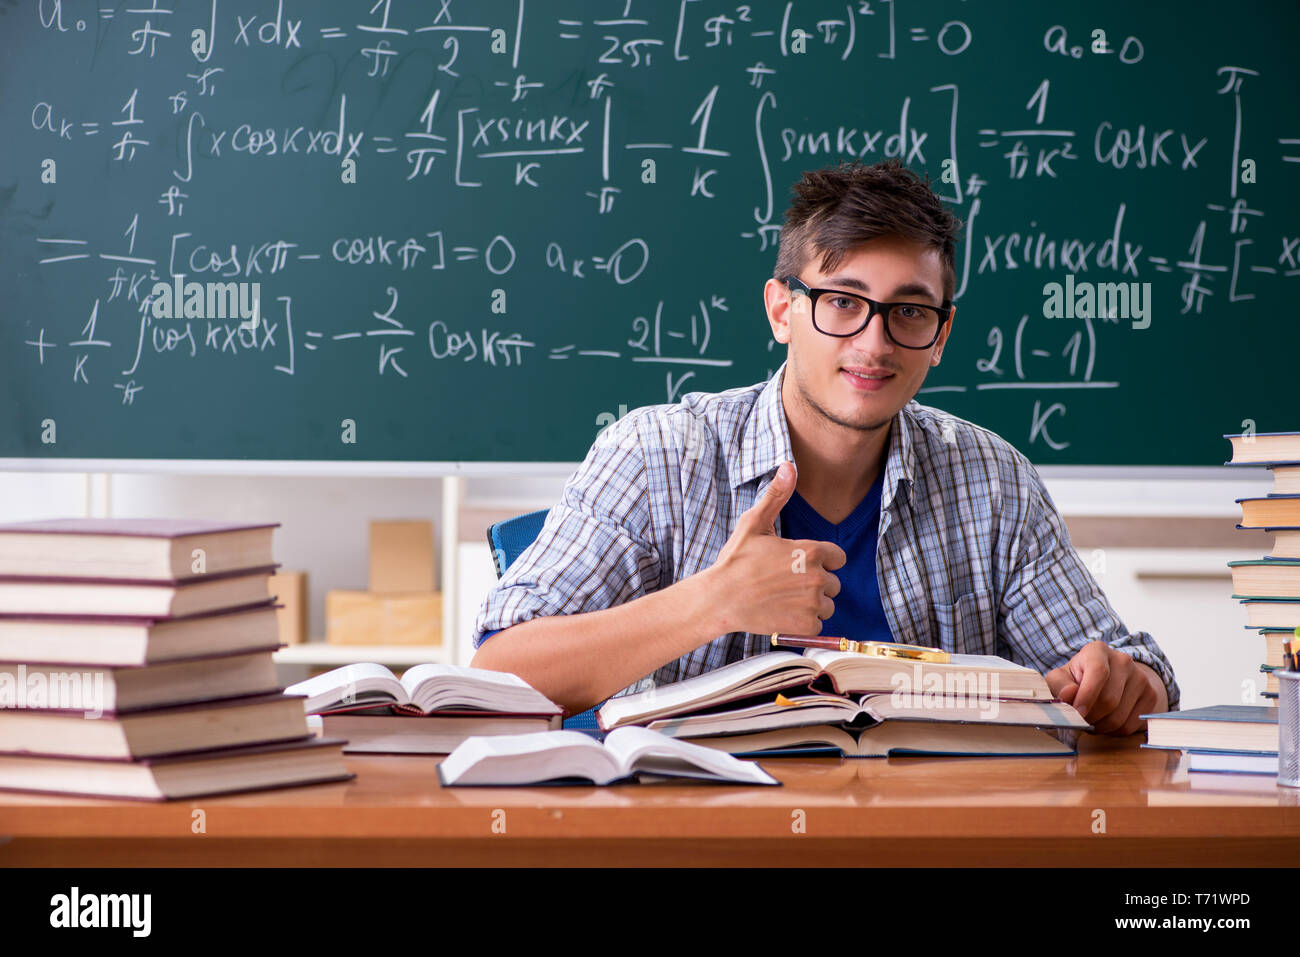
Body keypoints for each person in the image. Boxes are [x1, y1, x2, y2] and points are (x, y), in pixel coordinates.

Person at [471, 159, 1178, 735]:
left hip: (934, 838)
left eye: (908, 310)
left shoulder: (993, 480)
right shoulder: (660, 454)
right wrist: (711, 602)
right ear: (783, 310)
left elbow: (1138, 677)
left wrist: (1120, 684)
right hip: (713, 840)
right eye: (842, 301)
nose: (873, 343)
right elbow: (500, 674)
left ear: (941, 335)